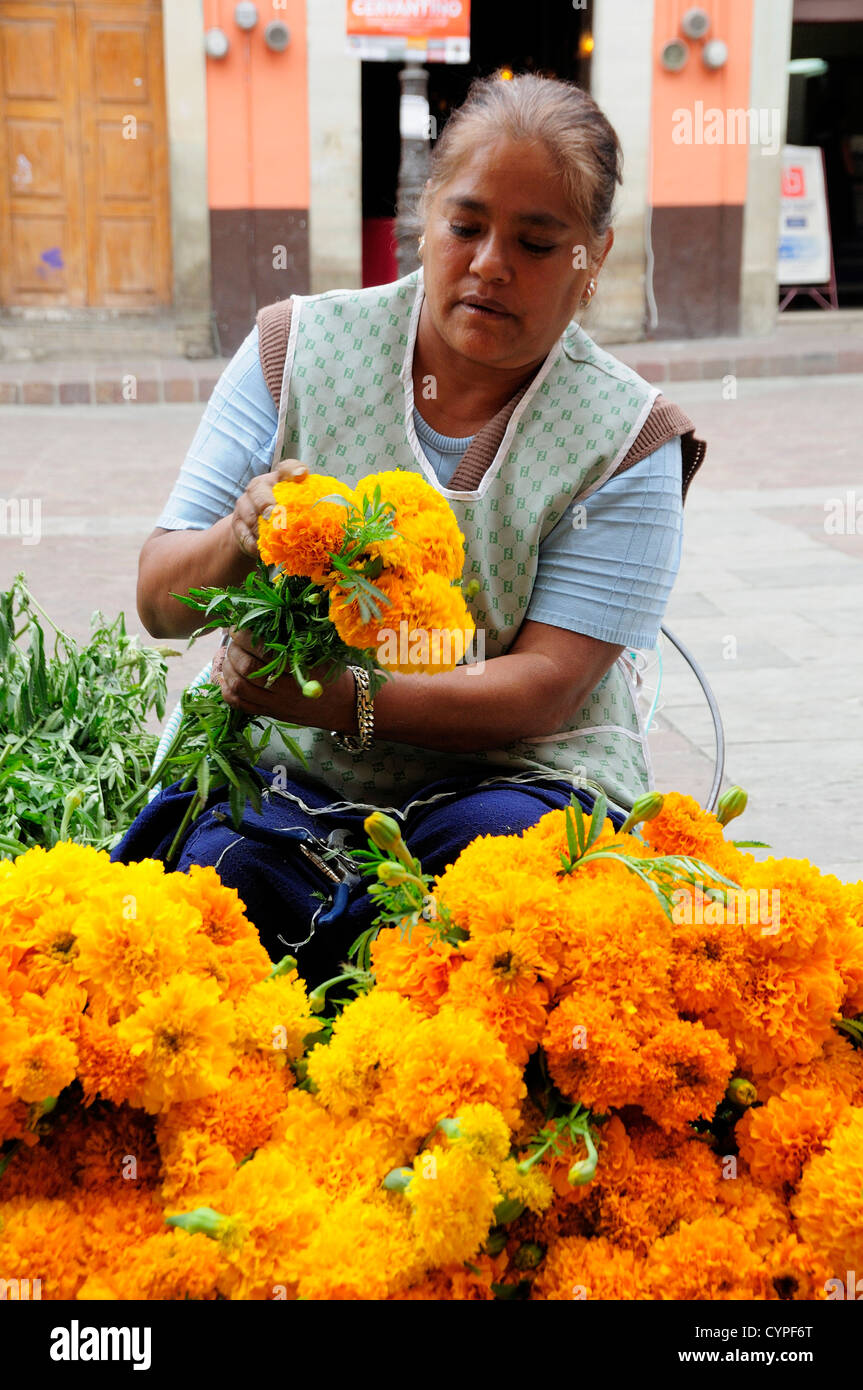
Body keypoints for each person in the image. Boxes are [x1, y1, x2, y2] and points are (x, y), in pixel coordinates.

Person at [115, 72, 707, 985]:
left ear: (593, 258)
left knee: (501, 903)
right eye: (466, 226)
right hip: (290, 769)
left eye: (538, 242)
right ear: (424, 219)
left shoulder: (626, 437)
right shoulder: (295, 351)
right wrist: (244, 535)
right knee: (222, 886)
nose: (491, 264)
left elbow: (542, 690)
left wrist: (341, 700)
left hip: (515, 773)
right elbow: (161, 603)